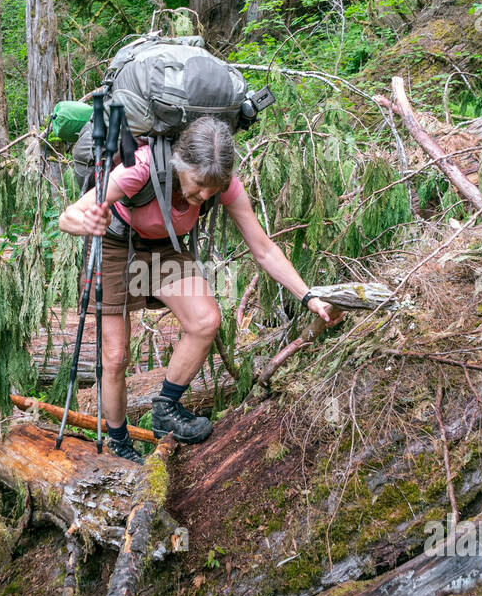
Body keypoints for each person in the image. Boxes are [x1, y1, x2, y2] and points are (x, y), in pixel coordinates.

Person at [58, 115, 342, 464]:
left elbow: (263, 248)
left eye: (213, 188)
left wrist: (308, 295)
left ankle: (165, 409)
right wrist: (84, 221)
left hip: (167, 247)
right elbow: (68, 216)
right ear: (180, 162)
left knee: (205, 321)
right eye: (198, 183)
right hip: (116, 243)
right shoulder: (139, 167)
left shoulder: (223, 185)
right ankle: (119, 443)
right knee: (115, 357)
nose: (204, 195)